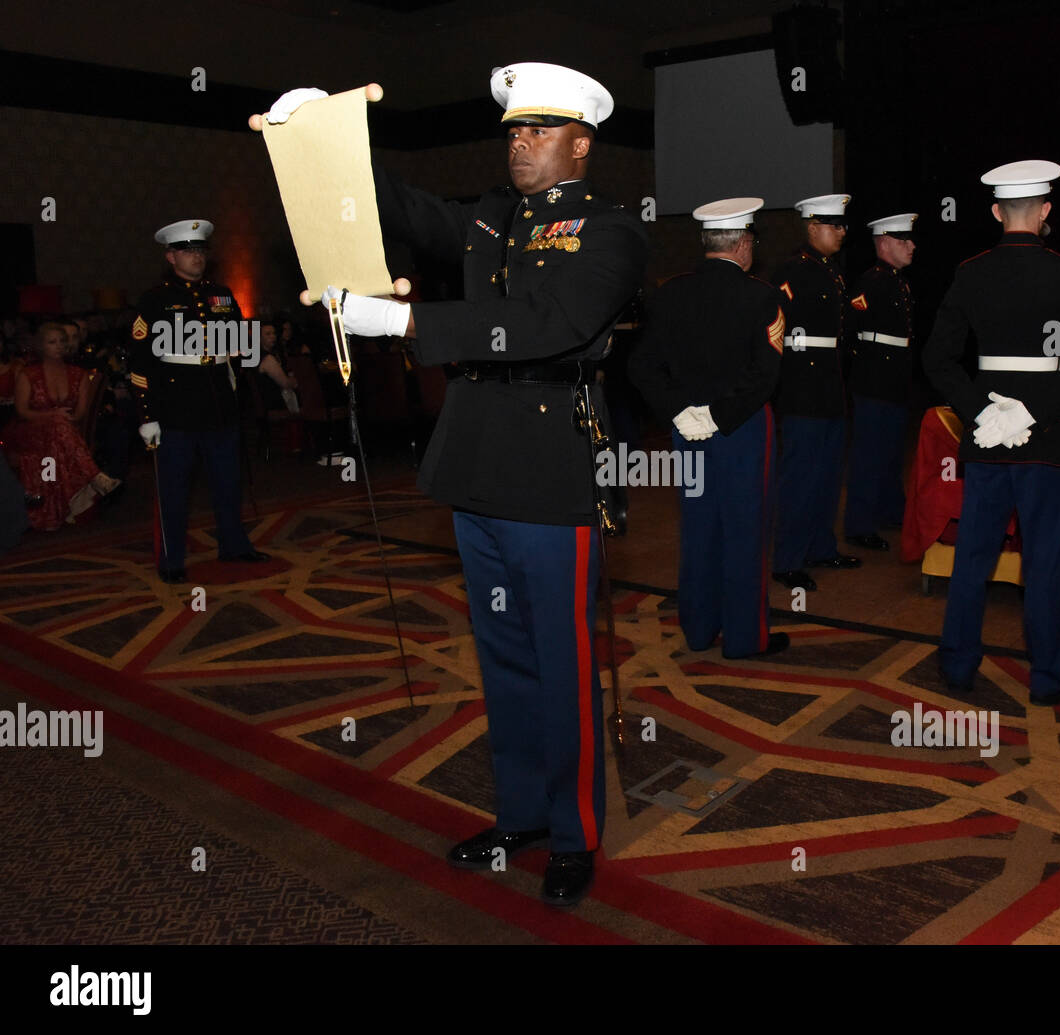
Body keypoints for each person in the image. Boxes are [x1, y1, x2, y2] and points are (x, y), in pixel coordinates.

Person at [266, 62, 647, 906]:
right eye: (513, 128)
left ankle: (575, 834)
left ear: (580, 143)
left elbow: (555, 325)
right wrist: (318, 145)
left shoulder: (613, 231)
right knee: (504, 654)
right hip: (478, 458)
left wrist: (407, 320)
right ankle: (522, 815)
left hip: (552, 466)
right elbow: (400, 206)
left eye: (538, 130)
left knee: (562, 659)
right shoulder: (491, 218)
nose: (520, 141)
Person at [922, 160, 1060, 706]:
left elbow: (937, 359)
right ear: (1045, 211)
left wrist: (984, 411)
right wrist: (1037, 411)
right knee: (1044, 563)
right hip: (1046, 441)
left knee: (973, 558)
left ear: (997, 212)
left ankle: (957, 666)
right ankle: (1049, 678)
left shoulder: (971, 271)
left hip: (986, 442)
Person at [629, 197, 789, 659]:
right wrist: (718, 416)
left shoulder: (670, 292)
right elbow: (766, 376)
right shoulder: (763, 296)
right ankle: (744, 639)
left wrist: (680, 410)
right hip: (742, 430)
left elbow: (641, 366)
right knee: (746, 532)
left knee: (698, 530)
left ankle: (698, 630)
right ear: (743, 244)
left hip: (687, 432)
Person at [129, 219, 270, 583]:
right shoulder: (155, 300)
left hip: (220, 401)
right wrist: (147, 416)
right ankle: (172, 559)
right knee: (174, 487)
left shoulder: (222, 294)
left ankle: (234, 545)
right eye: (187, 251)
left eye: (200, 250)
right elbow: (141, 362)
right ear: (170, 256)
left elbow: (242, 347)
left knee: (227, 481)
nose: (196, 257)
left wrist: (253, 357)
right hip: (175, 406)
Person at [771, 194, 860, 591]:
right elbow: (776, 332)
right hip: (802, 388)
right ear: (811, 226)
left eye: (842, 225)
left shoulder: (832, 271)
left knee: (826, 476)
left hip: (830, 386)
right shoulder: (792, 270)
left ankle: (820, 547)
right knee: (799, 477)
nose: (841, 231)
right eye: (833, 225)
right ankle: (787, 559)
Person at [843, 212, 918, 552]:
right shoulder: (872, 281)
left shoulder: (897, 280)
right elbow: (853, 331)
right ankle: (859, 524)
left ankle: (889, 510)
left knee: (889, 452)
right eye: (904, 240)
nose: (912, 245)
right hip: (875, 379)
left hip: (894, 378)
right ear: (885, 243)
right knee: (869, 454)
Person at [4, 322, 120, 530]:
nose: (58, 346)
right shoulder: (28, 374)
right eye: (52, 342)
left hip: (63, 434)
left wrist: (59, 420)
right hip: (29, 429)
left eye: (61, 342)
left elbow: (79, 414)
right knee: (57, 423)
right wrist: (51, 415)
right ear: (41, 345)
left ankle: (52, 512)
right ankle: (94, 475)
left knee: (57, 434)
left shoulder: (78, 374)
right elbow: (22, 411)